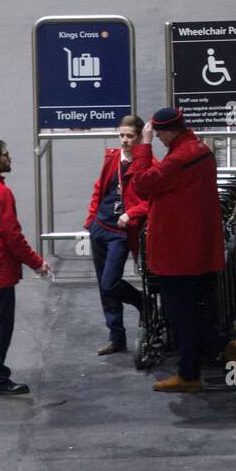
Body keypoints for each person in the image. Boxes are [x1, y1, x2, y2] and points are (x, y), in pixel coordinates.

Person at [131, 107, 236, 393]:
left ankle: (190, 373)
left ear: (170, 131)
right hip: (197, 248)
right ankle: (226, 347)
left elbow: (141, 184)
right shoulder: (201, 151)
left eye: (158, 133)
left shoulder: (179, 160)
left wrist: (143, 146)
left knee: (178, 313)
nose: (157, 137)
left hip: (177, 251)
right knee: (192, 310)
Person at [0, 140, 51, 395]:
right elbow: (12, 237)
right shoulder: (2, 194)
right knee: (0, 326)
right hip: (0, 268)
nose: (9, 158)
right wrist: (37, 263)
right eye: (5, 155)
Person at [84, 115, 149, 355]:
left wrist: (132, 213)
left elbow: (152, 200)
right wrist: (91, 220)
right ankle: (116, 336)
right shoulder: (112, 158)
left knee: (110, 282)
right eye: (121, 135)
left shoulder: (148, 163)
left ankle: (143, 302)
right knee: (104, 286)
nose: (124, 140)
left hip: (121, 233)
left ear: (140, 137)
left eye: (130, 136)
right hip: (101, 226)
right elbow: (99, 188)